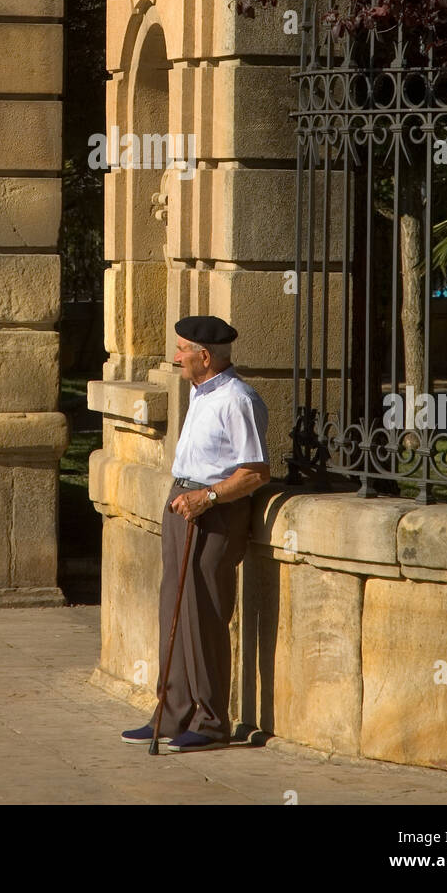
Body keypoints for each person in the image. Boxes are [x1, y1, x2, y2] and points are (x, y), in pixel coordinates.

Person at [121, 315, 270, 752]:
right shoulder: (200, 392)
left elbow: (255, 472)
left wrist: (207, 498)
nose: (176, 356)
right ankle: (171, 714)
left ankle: (210, 722)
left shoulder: (238, 399)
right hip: (182, 505)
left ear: (204, 356)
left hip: (214, 515)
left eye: (182, 349)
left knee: (203, 615)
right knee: (175, 609)